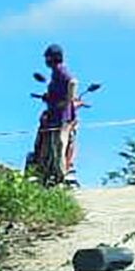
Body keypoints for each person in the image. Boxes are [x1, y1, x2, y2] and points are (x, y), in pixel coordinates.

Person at [36, 43, 79, 186]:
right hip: (55, 115)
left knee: (60, 144)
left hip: (63, 117)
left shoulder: (61, 70)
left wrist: (68, 101)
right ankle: (52, 173)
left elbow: (73, 82)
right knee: (53, 145)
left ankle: (61, 175)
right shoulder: (54, 73)